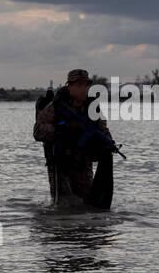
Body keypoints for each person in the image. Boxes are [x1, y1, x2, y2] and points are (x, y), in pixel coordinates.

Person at [32, 67, 119, 207]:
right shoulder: (56, 107)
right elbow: (38, 131)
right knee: (62, 205)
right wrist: (64, 129)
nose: (83, 89)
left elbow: (102, 129)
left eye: (85, 85)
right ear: (70, 87)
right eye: (79, 85)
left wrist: (108, 142)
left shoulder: (92, 107)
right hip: (60, 163)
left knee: (86, 204)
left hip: (83, 161)